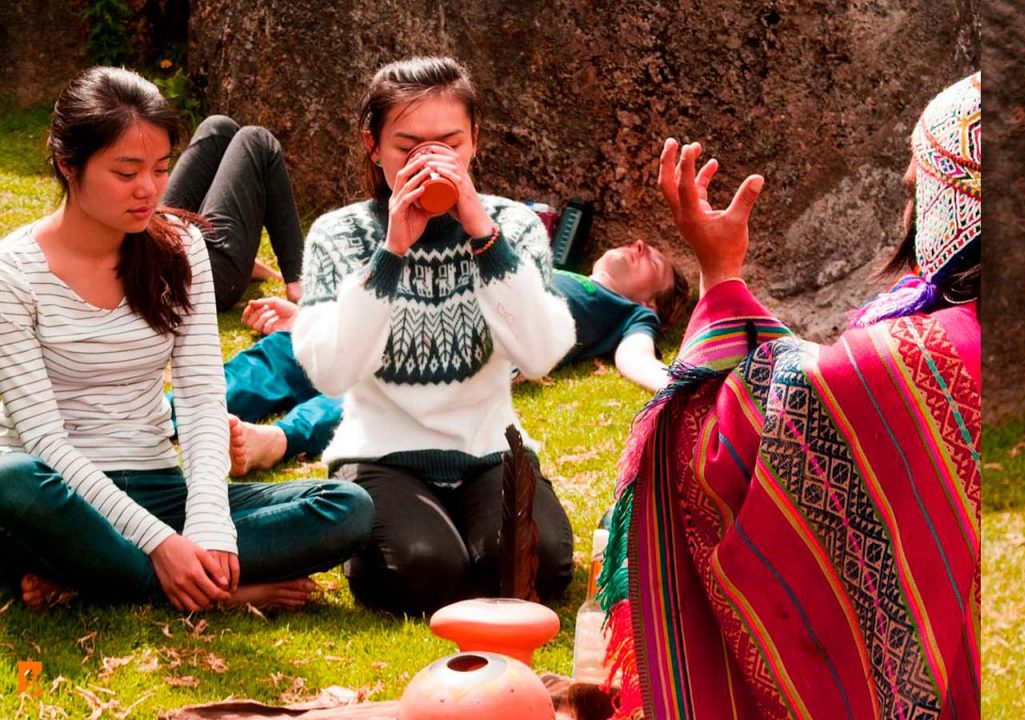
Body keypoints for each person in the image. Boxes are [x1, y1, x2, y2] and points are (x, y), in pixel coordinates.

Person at [594, 74, 980, 719]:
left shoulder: (908, 357)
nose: (907, 206)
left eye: (917, 187)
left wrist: (720, 273)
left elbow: (730, 439)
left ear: (948, 202)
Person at [0, 67, 374, 613]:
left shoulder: (182, 249)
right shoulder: (14, 272)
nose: (148, 189)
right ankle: (211, 592)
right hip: (59, 495)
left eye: (159, 168)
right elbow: (44, 443)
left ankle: (92, 580)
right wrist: (162, 545)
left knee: (348, 505)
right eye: (126, 172)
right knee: (8, 478)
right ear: (67, 164)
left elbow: (201, 399)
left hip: (157, 485)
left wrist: (207, 521)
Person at [292, 56, 577, 614]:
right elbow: (330, 371)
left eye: (448, 144)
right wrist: (391, 252)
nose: (430, 162)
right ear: (373, 146)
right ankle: (402, 544)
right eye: (408, 147)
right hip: (381, 453)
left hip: (489, 449)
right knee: (423, 571)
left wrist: (483, 236)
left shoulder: (511, 226)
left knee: (533, 565)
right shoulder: (339, 233)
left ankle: (465, 550)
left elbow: (542, 355)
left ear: (474, 141)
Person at [225, 239, 690, 475]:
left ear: (651, 304)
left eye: (655, 263)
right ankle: (176, 411)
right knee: (288, 351)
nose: (642, 246)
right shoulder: (556, 268)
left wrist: (679, 383)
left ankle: (276, 441)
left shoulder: (628, 315)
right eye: (642, 244)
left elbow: (637, 358)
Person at [162, 115, 306, 311]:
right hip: (192, 276)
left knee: (219, 129)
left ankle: (244, 263)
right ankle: (301, 280)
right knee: (257, 141)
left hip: (157, 248)